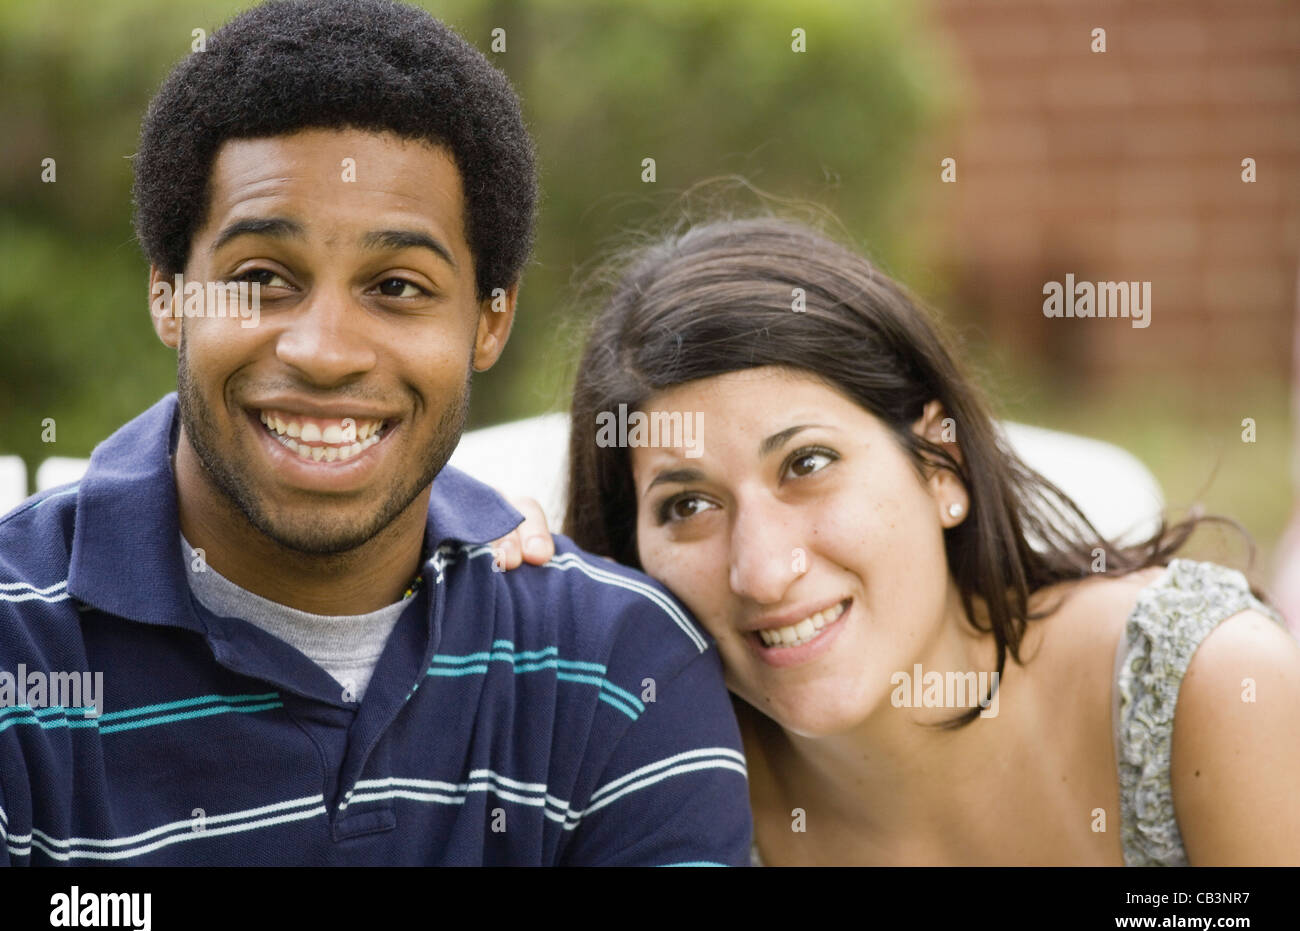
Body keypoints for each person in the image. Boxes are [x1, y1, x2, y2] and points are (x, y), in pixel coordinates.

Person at [0, 0, 751, 866]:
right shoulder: (23, 652)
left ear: (490, 322)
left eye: (397, 286)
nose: (323, 352)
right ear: (169, 295)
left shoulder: (618, 670)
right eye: (262, 278)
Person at [498, 215, 1300, 865]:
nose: (765, 571)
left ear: (940, 465)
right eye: (688, 508)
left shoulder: (1207, 690)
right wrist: (497, 602)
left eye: (807, 463)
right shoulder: (654, 783)